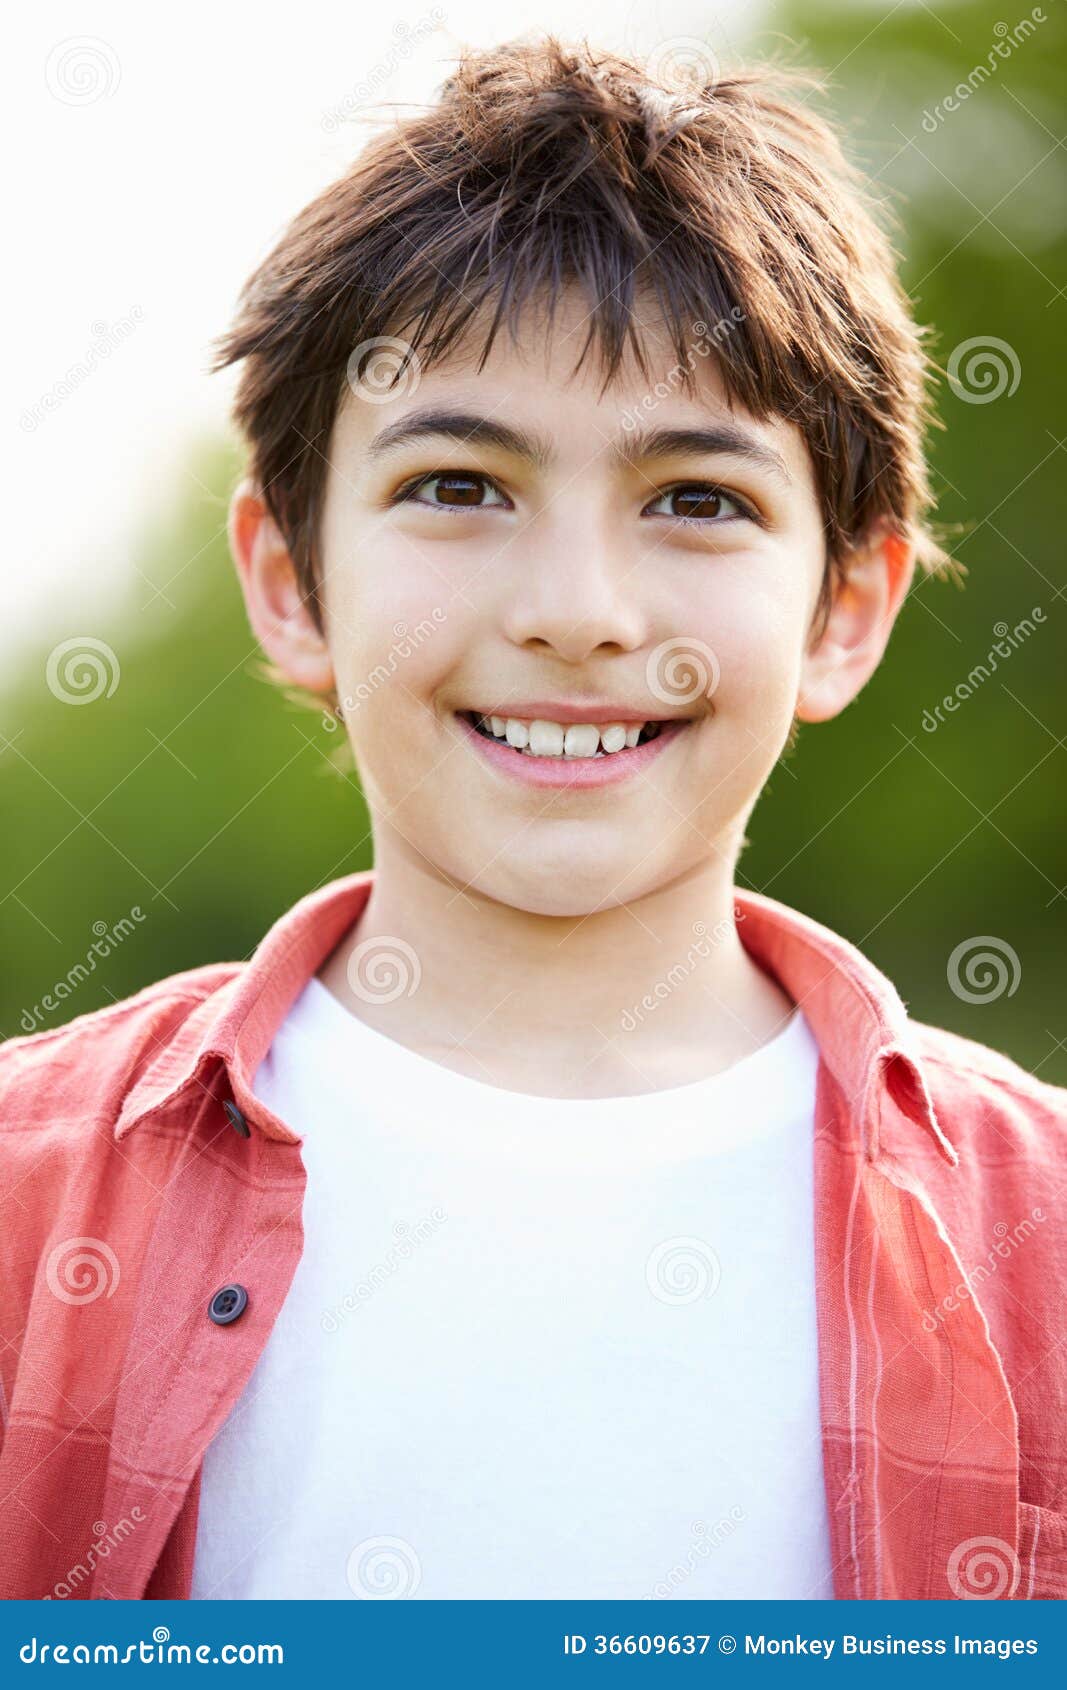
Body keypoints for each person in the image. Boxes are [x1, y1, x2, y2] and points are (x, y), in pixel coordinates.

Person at [1, 37, 1063, 1603]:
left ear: (846, 609)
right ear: (292, 584)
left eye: (698, 499)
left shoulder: (1040, 1239)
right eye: (460, 485)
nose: (578, 613)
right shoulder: (30, 1204)